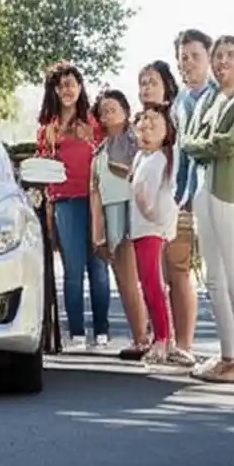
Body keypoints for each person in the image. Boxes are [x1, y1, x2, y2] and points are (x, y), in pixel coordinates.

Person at [180, 35, 234, 384]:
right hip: (206, 193)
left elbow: (232, 141)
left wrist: (204, 145)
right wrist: (206, 145)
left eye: (230, 55)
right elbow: (188, 140)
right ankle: (228, 354)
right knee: (214, 280)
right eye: (217, 56)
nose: (222, 61)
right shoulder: (212, 98)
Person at [36, 62, 109, 350]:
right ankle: (77, 333)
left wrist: (90, 140)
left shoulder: (94, 124)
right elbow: (41, 169)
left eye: (72, 83)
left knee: (99, 268)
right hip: (65, 202)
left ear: (80, 88)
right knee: (73, 268)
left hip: (95, 201)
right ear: (54, 90)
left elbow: (105, 159)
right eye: (61, 84)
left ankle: (101, 331)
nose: (67, 89)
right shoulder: (47, 129)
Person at [128, 105, 192, 366]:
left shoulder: (167, 157)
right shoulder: (141, 158)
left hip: (153, 229)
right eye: (143, 125)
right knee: (148, 284)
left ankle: (164, 340)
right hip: (139, 228)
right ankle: (162, 337)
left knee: (153, 284)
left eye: (154, 126)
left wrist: (157, 216)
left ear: (167, 132)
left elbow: (174, 192)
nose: (146, 130)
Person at [88, 89, 149, 359]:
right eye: (103, 110)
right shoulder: (99, 151)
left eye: (113, 108)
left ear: (126, 111)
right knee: (123, 280)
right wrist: (97, 234)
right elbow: (95, 193)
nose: (107, 113)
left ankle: (151, 338)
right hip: (111, 213)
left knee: (140, 278)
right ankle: (139, 338)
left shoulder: (134, 140)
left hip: (134, 210)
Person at [169, 29, 217, 358]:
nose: (188, 63)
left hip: (221, 192)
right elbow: (182, 154)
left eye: (194, 56)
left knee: (222, 275)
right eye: (183, 57)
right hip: (190, 198)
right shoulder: (181, 103)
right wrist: (179, 198)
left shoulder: (222, 95)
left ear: (210, 57)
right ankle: (184, 347)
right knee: (185, 271)